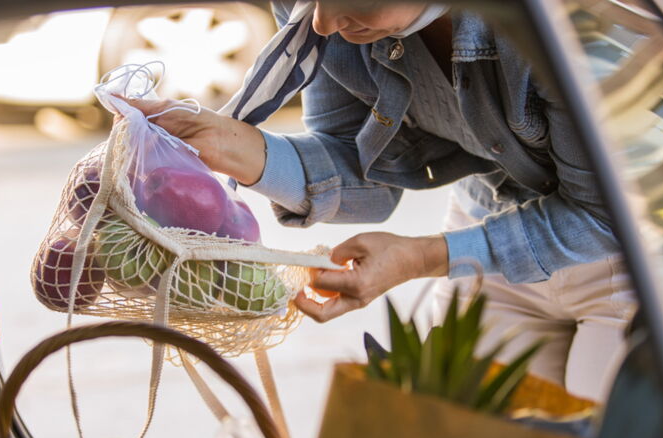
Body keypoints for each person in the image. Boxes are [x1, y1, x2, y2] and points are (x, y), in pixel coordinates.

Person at [125, 1, 635, 402]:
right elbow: (363, 168)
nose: (321, 22)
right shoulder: (320, 15)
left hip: (623, 265)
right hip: (486, 231)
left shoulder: (557, 32)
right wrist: (240, 149)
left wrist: (421, 257)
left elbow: (602, 215)